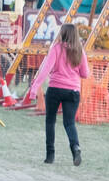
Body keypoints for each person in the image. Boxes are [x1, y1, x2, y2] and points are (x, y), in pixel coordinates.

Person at [24, 23, 90, 165]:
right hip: (73, 91)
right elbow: (85, 74)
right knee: (69, 122)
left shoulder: (56, 48)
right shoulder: (80, 51)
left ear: (62, 34)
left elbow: (45, 70)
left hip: (55, 89)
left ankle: (50, 155)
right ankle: (75, 147)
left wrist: (34, 89)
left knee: (50, 121)